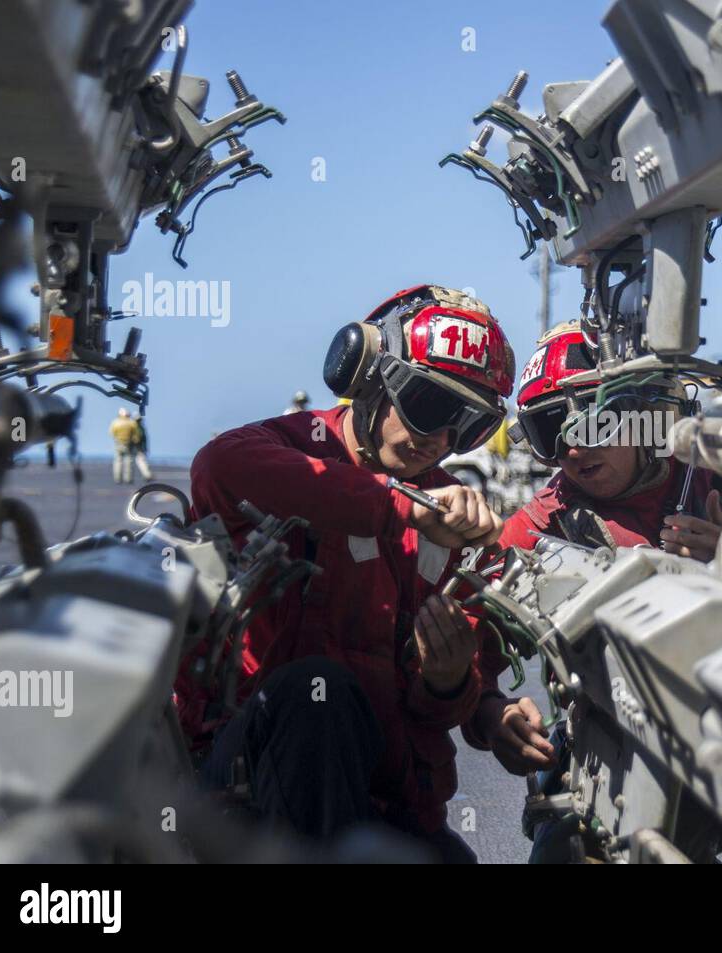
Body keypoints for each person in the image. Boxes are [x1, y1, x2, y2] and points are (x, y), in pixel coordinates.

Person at [174, 284, 515, 862]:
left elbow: (441, 711)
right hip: (245, 798)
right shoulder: (292, 448)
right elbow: (218, 466)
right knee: (316, 692)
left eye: (468, 425)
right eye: (429, 406)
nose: (439, 441)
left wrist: (452, 681)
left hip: (378, 805)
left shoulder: (448, 517)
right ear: (366, 372)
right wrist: (397, 507)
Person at [462, 322, 722, 794]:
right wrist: (492, 712)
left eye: (593, 424)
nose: (572, 449)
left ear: (648, 415)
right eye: (549, 429)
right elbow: (469, 636)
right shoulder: (541, 523)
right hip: (617, 737)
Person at [109, 407, 138, 484]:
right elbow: (136, 435)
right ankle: (128, 479)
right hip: (129, 444)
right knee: (128, 461)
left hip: (118, 444)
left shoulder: (115, 422)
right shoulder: (131, 422)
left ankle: (117, 479)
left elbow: (111, 433)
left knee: (118, 461)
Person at [132, 413, 154, 480]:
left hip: (139, 449)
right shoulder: (141, 428)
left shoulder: (138, 428)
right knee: (142, 462)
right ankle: (147, 475)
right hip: (141, 449)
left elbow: (138, 440)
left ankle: (147, 475)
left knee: (141, 462)